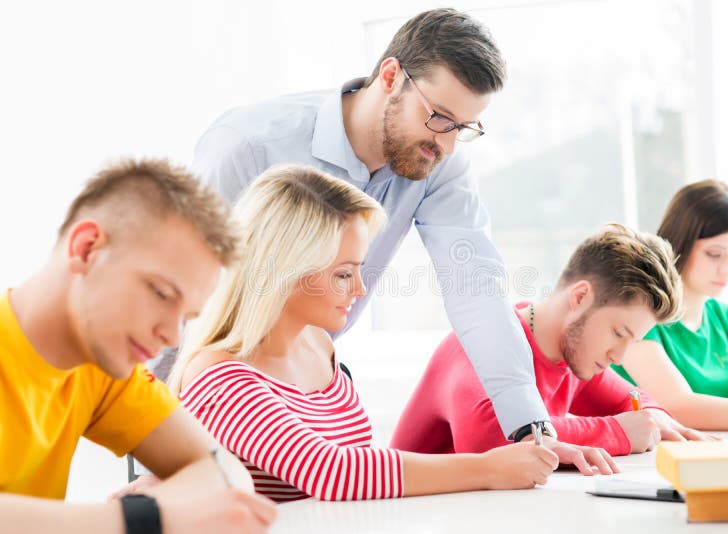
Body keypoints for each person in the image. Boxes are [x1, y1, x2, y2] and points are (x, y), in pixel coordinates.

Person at [187, 6, 604, 472]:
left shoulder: (438, 162)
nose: (446, 145)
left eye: (464, 128)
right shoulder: (247, 146)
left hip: (313, 382)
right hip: (218, 399)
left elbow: (476, 288)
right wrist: (161, 455)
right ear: (390, 76)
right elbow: (185, 295)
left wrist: (533, 431)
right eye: (441, 117)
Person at [168, 164, 559, 502]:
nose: (359, 289)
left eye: (358, 269)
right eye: (343, 274)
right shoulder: (218, 377)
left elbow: (362, 471)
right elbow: (330, 472)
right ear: (284, 273)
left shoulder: (317, 345)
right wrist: (486, 470)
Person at [0, 159, 277, 533]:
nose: (172, 337)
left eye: (186, 317)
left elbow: (222, 472)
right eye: (162, 294)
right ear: (86, 249)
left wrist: (158, 506)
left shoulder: (103, 367)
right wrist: (146, 517)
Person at [391, 224, 710, 465]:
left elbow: (634, 401)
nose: (619, 356)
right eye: (617, 332)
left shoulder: (574, 355)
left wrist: (651, 417)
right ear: (581, 297)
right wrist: (616, 432)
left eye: (633, 341)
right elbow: (491, 438)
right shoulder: (486, 336)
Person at [612, 180, 728, 430]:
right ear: (680, 244)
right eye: (714, 254)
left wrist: (723, 408)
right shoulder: (643, 317)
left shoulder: (725, 317)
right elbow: (679, 409)